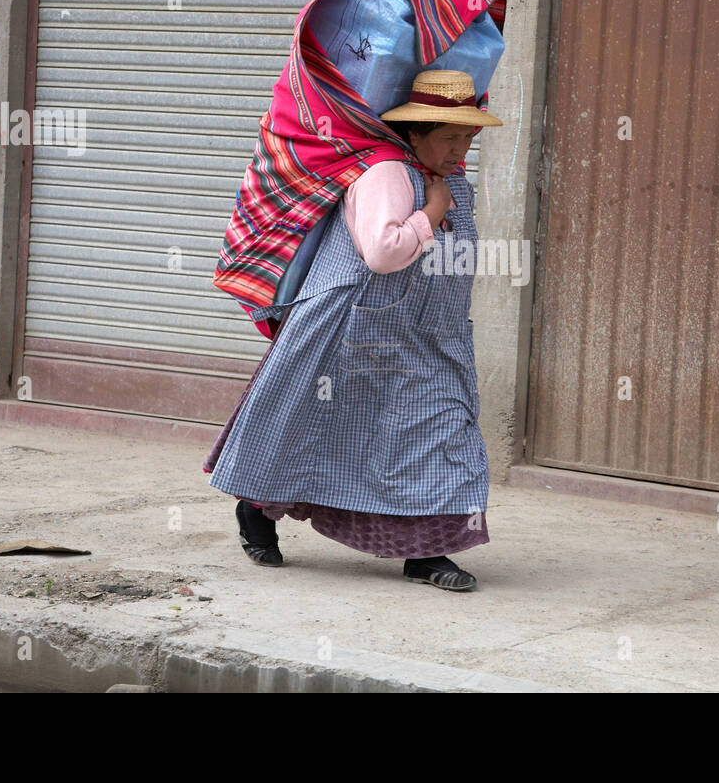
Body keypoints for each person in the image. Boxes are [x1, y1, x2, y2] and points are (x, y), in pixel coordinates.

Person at [206, 70, 502, 591]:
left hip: (427, 333)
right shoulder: (385, 172)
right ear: (414, 133)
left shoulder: (452, 178)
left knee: (438, 432)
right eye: (450, 136)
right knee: (307, 432)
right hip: (349, 327)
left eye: (468, 136)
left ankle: (428, 552)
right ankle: (256, 509)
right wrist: (432, 212)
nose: (461, 147)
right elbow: (383, 252)